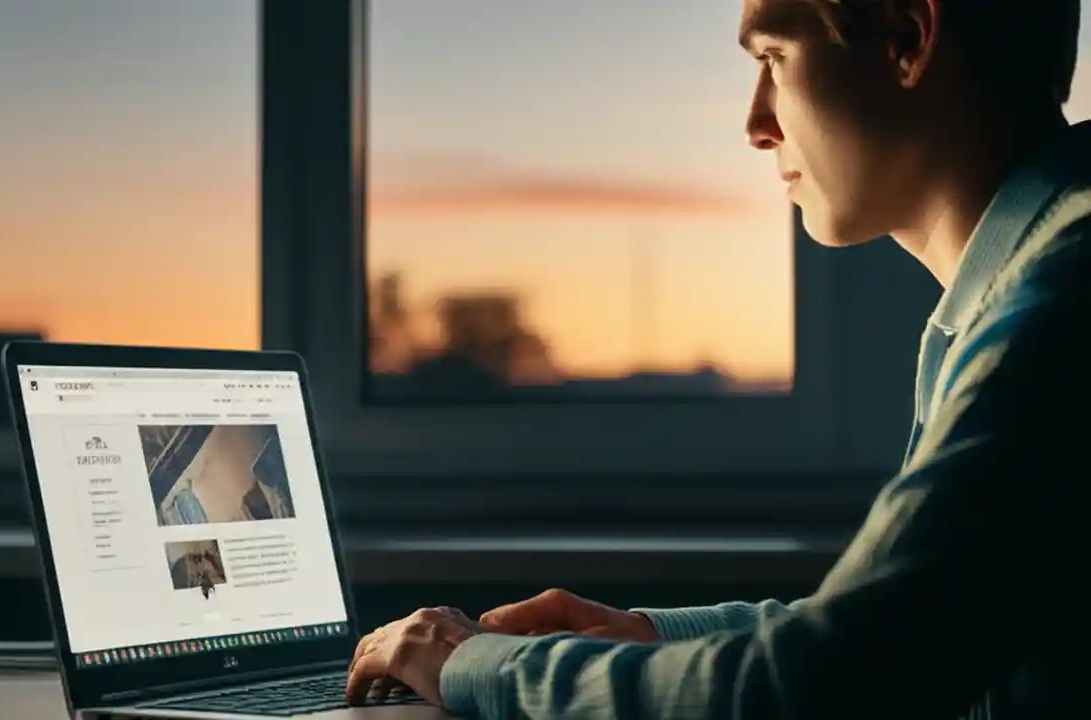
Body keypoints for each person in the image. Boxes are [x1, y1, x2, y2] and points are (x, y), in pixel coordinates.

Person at [344, 0, 1089, 717]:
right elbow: (908, 635)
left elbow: (816, 689)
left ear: (908, 37)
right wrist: (648, 638)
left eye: (774, 56)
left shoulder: (1059, 310)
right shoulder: (1024, 286)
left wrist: (472, 663)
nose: (756, 124)